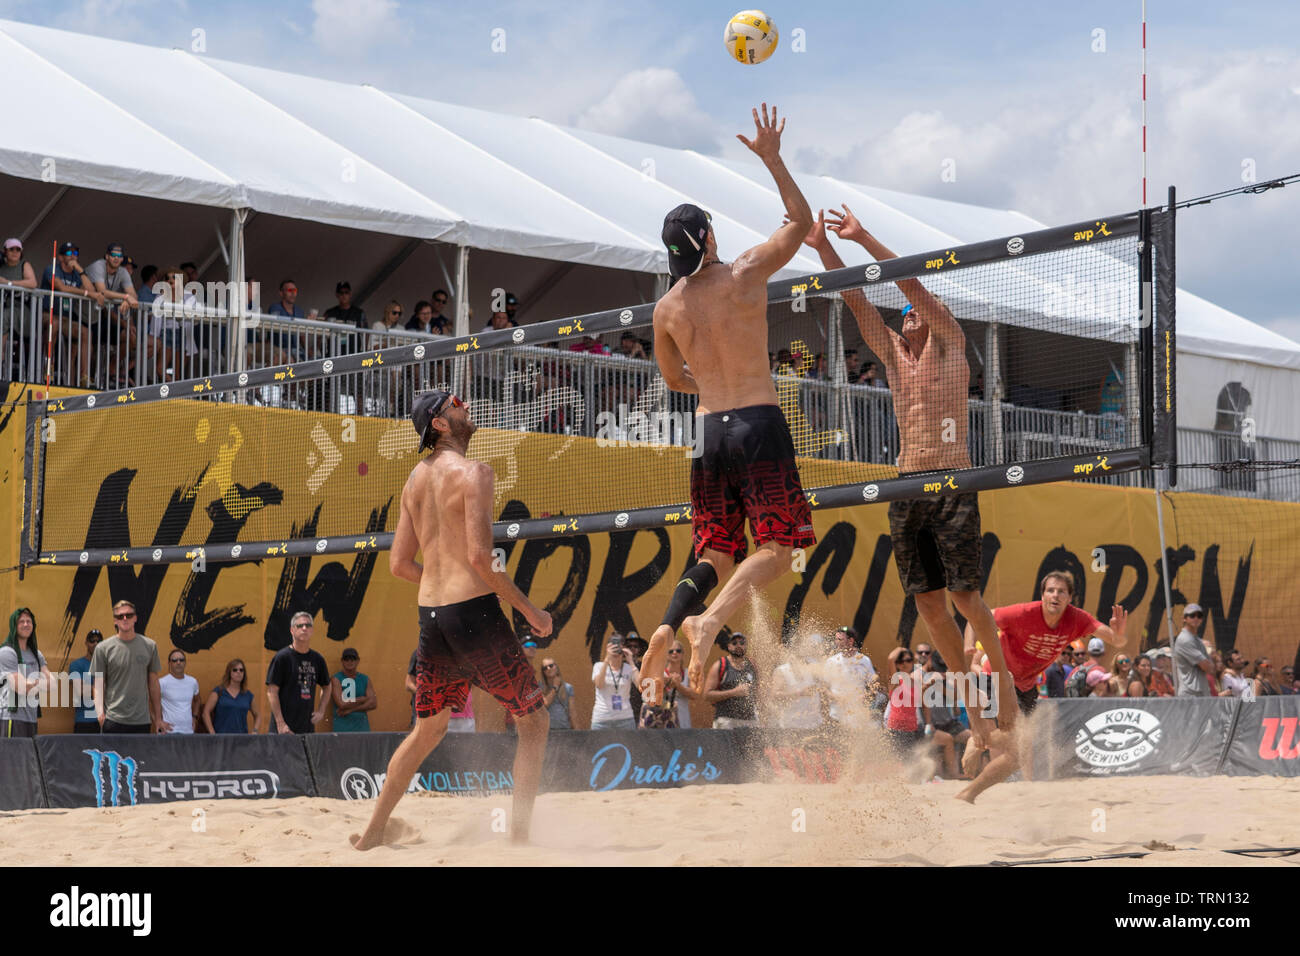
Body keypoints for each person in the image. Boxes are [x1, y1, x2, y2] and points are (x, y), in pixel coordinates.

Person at [801, 203, 1016, 752]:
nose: (909, 315)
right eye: (903, 315)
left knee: (967, 598)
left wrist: (863, 237)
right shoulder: (895, 357)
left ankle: (1004, 682)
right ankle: (974, 710)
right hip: (905, 486)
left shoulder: (949, 346)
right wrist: (823, 248)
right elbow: (854, 297)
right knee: (927, 605)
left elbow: (913, 286)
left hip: (950, 481)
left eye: (916, 311)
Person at [639, 105, 817, 705]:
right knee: (778, 549)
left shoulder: (666, 309)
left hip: (706, 431)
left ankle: (667, 624)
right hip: (757, 421)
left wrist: (710, 388)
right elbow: (800, 220)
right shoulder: (744, 274)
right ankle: (709, 622)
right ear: (709, 239)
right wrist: (770, 157)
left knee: (716, 548)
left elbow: (673, 377)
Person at [352, 389, 552, 850]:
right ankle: (520, 836)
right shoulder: (475, 472)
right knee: (533, 721)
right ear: (440, 424)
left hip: (433, 617)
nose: (467, 406)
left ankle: (374, 831)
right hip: (475, 616)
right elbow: (482, 558)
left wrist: (443, 581)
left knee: (428, 729)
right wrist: (530, 611)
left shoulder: (412, 482)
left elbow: (400, 565)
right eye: (457, 403)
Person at [957, 572, 1126, 802]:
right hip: (998, 676)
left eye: (1061, 591)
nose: (1055, 595)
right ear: (1042, 595)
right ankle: (979, 740)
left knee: (1017, 755)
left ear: (1069, 598)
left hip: (1026, 685)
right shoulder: (1024, 613)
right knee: (1013, 737)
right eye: (1050, 590)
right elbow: (976, 616)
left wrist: (1118, 635)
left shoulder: (1078, 619)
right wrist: (968, 645)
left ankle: (968, 793)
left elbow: (1117, 642)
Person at [91, 599, 162, 734]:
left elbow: (153, 683)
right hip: (113, 720)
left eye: (129, 615)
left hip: (141, 721)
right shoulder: (103, 648)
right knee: (111, 756)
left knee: (140, 756)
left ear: (135, 618)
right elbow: (99, 683)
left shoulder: (150, 646)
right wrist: (100, 714)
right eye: (120, 616)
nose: (125, 618)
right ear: (115, 621)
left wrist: (158, 718)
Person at [264, 612, 331, 734]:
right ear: (292, 630)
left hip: (306, 729)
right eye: (299, 626)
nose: (304, 628)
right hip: (283, 730)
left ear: (312, 630)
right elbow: (271, 692)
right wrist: (280, 723)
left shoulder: (317, 659)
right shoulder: (282, 658)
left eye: (308, 625)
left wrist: (321, 711)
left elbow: (327, 686)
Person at [0, 608, 50, 738]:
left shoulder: (36, 654)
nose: (26, 624)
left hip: (31, 718)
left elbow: (51, 684)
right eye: (21, 621)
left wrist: (32, 684)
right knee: (11, 757)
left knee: (28, 758)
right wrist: (40, 683)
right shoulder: (7, 652)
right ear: (14, 626)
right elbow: (21, 687)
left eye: (29, 621)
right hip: (11, 717)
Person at [768, 632, 824, 730]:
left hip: (814, 724)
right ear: (790, 650)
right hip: (791, 726)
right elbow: (774, 695)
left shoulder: (813, 667)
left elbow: (823, 693)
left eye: (802, 646)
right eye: (796, 647)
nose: (801, 650)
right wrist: (799, 693)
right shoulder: (782, 671)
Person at [823, 625, 877, 726]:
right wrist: (835, 697)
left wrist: (862, 697)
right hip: (835, 715)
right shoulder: (831, 661)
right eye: (836, 639)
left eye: (840, 639)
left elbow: (873, 686)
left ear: (851, 640)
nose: (836, 642)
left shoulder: (864, 660)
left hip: (857, 716)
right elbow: (824, 687)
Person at [704, 631, 759, 729]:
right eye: (734, 643)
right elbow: (707, 695)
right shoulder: (721, 665)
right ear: (729, 646)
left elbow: (758, 691)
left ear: (746, 646)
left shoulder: (752, 665)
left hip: (750, 721)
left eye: (742, 643)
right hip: (726, 720)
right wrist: (733, 692)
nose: (738, 645)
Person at [639, 640, 697, 729]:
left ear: (682, 654)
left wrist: (678, 685)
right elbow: (647, 696)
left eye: (678, 651)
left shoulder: (688, 674)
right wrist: (666, 682)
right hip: (661, 720)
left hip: (682, 718)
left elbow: (694, 695)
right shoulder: (659, 673)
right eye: (670, 651)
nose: (674, 653)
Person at [591, 635, 639, 731]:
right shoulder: (599, 666)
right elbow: (599, 684)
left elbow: (641, 686)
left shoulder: (628, 669)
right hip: (602, 719)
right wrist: (606, 658)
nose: (616, 648)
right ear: (607, 647)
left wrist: (631, 661)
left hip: (625, 718)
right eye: (613, 645)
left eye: (619, 645)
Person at [203, 659, 257, 734]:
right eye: (235, 670)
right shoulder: (219, 692)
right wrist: (212, 732)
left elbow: (258, 715)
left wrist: (255, 730)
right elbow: (206, 712)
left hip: (242, 740)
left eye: (241, 670)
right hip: (221, 739)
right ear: (229, 673)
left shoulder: (248, 695)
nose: (238, 672)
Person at [331, 648, 377, 732]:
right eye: (346, 659)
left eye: (353, 659)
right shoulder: (336, 679)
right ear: (342, 661)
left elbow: (373, 704)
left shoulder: (365, 679)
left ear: (358, 660)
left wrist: (351, 709)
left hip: (362, 728)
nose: (350, 662)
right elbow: (342, 704)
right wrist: (363, 699)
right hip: (342, 728)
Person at [1173, 603, 1213, 697]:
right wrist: (1208, 660)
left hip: (1200, 691)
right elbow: (1207, 667)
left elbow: (1211, 668)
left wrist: (1208, 662)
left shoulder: (1197, 640)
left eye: (1199, 616)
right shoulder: (1185, 639)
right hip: (1190, 693)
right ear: (1184, 618)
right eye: (1192, 615)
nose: (1196, 618)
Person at [68, 628, 104, 734]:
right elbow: (80, 690)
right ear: (86, 643)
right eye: (92, 641)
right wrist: (103, 689)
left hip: (105, 722)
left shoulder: (107, 665)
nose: (95, 643)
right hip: (84, 721)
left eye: (99, 641)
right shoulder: (76, 665)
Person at [158, 649, 200, 734]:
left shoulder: (192, 682)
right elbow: (151, 703)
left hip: (188, 731)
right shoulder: (161, 682)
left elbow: (197, 700)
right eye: (174, 660)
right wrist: (158, 721)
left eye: (181, 660)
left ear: (185, 663)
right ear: (169, 663)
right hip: (168, 732)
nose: (178, 662)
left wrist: (194, 717)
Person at [540, 658, 575, 730]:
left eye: (551, 665)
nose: (548, 669)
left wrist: (577, 732)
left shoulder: (568, 687)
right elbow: (544, 705)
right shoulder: (539, 687)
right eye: (545, 668)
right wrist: (555, 687)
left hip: (564, 729)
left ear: (556, 667)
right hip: (546, 730)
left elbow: (572, 712)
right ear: (543, 672)